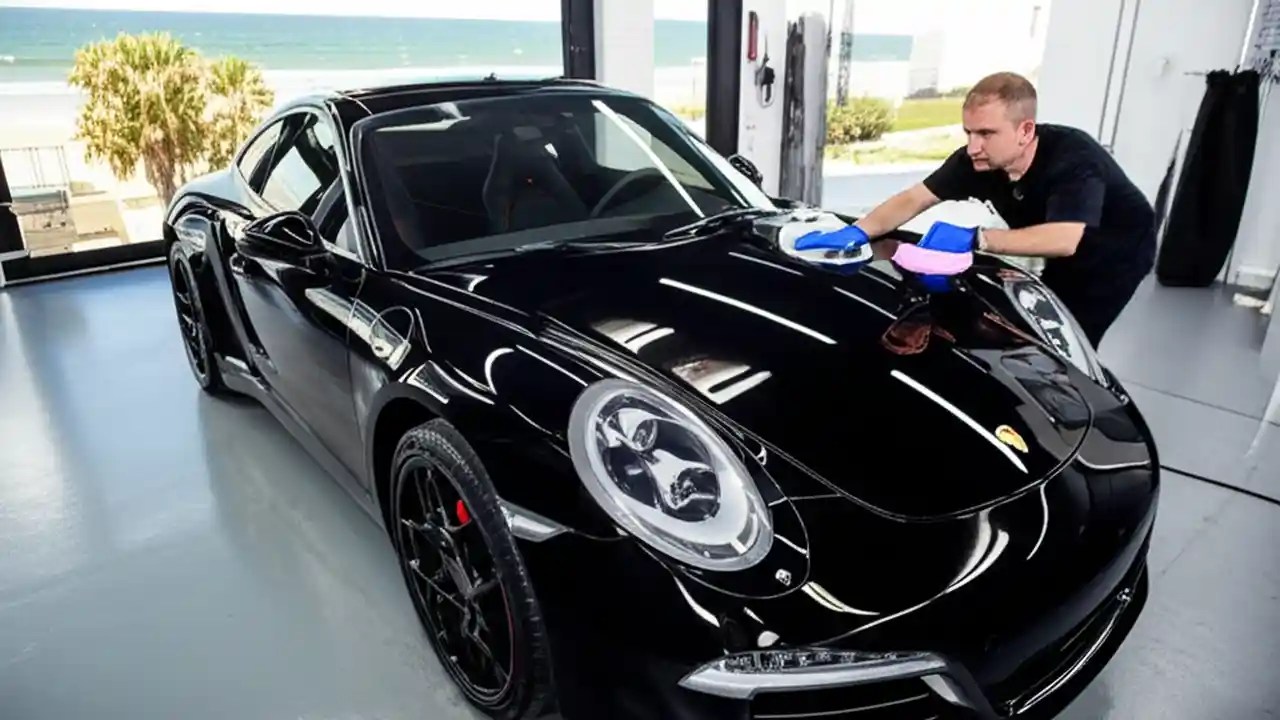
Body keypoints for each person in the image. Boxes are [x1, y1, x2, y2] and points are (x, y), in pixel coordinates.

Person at [798, 71, 1156, 347]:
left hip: (1116, 251)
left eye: (986, 133)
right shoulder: (976, 161)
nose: (973, 147)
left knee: (1071, 336)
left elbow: (1064, 239)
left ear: (1025, 130)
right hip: (1063, 251)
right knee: (1036, 321)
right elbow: (914, 198)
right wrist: (859, 231)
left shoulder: (1073, 158)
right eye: (968, 132)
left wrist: (977, 238)